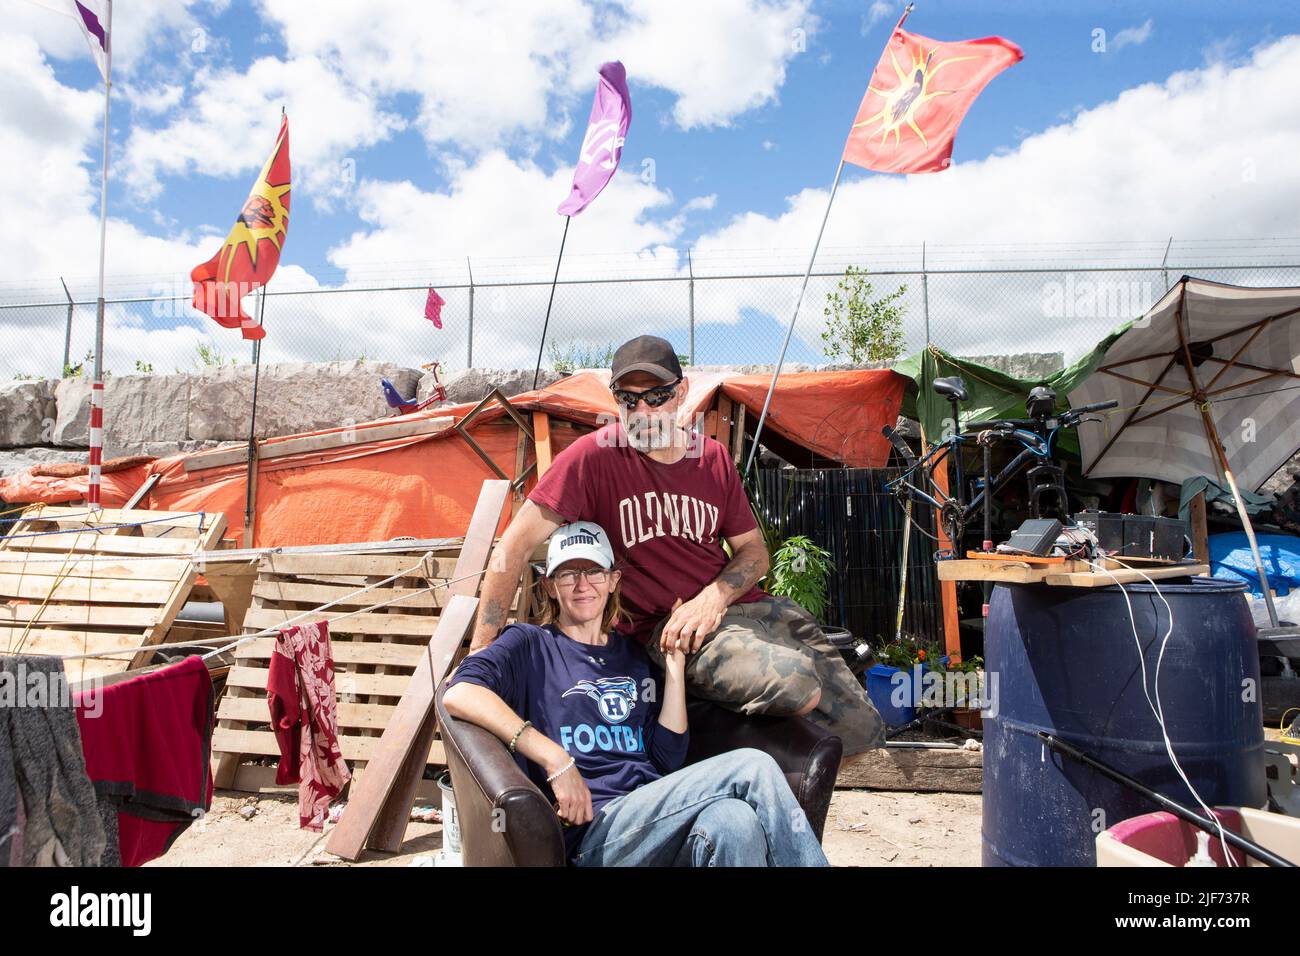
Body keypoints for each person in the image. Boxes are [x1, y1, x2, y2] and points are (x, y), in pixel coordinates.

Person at [466, 334, 884, 754]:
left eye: (656, 396)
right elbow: (511, 549)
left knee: (864, 729)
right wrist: (482, 657)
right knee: (796, 682)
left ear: (681, 393)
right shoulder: (591, 459)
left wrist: (712, 600)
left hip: (745, 609)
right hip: (671, 630)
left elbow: (755, 552)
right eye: (628, 400)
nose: (642, 412)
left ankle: (792, 798)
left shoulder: (713, 458)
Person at [444, 522, 828, 867]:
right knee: (752, 766)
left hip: (653, 819)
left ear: (612, 580)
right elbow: (459, 692)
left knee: (735, 822)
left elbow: (666, 759)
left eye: (593, 571)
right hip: (593, 834)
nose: (582, 584)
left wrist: (674, 669)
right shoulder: (529, 644)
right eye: (568, 574)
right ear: (549, 586)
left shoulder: (631, 655)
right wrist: (553, 756)